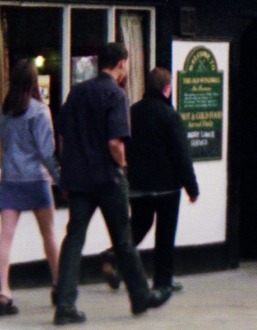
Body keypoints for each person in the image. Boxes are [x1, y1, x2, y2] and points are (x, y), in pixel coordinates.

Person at [52, 43, 170, 325]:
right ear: (120, 64)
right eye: (126, 64)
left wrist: (67, 173)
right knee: (123, 239)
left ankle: (65, 303)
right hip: (107, 178)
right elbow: (115, 142)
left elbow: (63, 137)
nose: (126, 69)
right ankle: (141, 296)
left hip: (79, 179)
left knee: (74, 239)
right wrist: (122, 164)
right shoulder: (115, 95)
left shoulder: (77, 91)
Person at [100, 67, 199, 293]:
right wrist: (191, 187)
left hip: (138, 183)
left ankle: (114, 254)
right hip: (167, 187)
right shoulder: (170, 116)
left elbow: (119, 142)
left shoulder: (132, 112)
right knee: (165, 233)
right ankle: (163, 280)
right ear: (167, 89)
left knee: (139, 225)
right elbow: (181, 154)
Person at [0, 58, 62, 316]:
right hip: (36, 179)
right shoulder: (40, 111)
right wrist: (59, 179)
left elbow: (3, 141)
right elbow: (47, 152)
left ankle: (4, 293)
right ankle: (58, 286)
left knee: (5, 236)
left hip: (11, 179)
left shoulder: (5, 110)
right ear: (34, 82)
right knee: (49, 235)